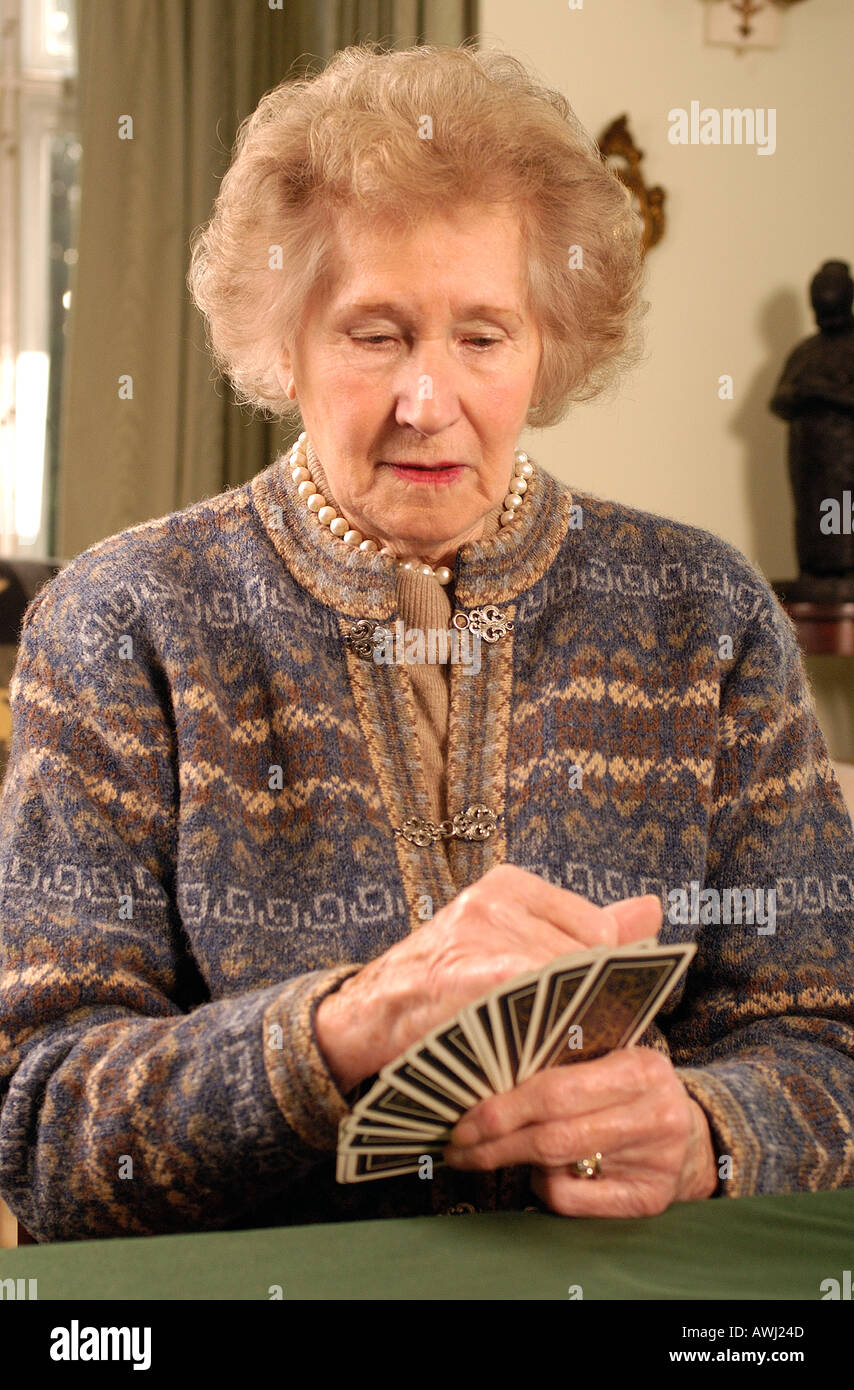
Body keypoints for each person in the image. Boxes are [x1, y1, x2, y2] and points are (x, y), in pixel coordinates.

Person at [1, 41, 852, 1244]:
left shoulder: (702, 614)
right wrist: (341, 1028)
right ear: (278, 344)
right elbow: (43, 1130)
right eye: (373, 333)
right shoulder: (119, 619)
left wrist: (709, 1131)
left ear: (548, 348)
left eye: (482, 336)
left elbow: (826, 1046)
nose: (426, 397)